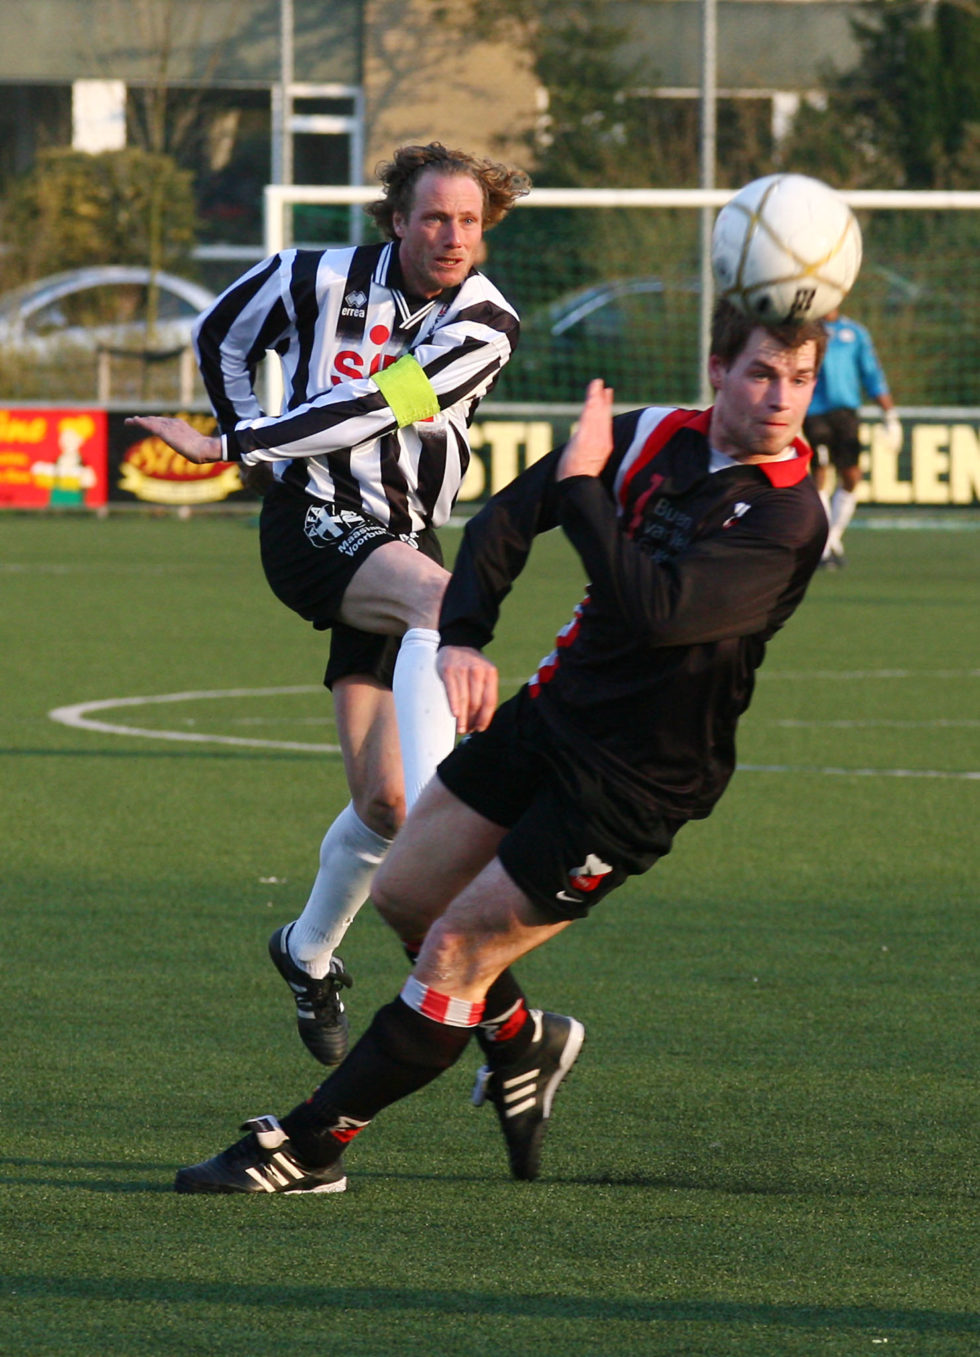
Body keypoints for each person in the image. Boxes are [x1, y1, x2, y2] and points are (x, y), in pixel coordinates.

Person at [173, 299, 830, 1195]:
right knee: (407, 895)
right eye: (762, 372)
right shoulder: (647, 435)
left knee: (453, 955)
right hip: (549, 718)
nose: (781, 397)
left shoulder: (790, 516)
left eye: (799, 380)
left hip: (638, 782)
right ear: (718, 370)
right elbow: (503, 519)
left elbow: (660, 613)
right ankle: (525, 1040)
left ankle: (307, 1145)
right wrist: (464, 636)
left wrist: (586, 487)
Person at [127, 144, 530, 1068]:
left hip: (398, 538)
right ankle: (454, 822)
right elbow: (226, 332)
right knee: (441, 599)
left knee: (380, 802)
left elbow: (374, 407)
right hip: (310, 523)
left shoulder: (487, 322)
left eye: (469, 221)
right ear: (396, 218)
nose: (453, 236)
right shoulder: (312, 274)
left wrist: (234, 441)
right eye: (435, 217)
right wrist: (247, 441)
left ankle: (306, 952)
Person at [803, 306, 900, 568]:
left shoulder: (854, 333)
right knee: (821, 471)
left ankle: (832, 537)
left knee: (851, 476)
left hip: (846, 413)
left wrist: (889, 415)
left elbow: (872, 374)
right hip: (814, 411)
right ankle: (821, 545)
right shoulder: (804, 331)